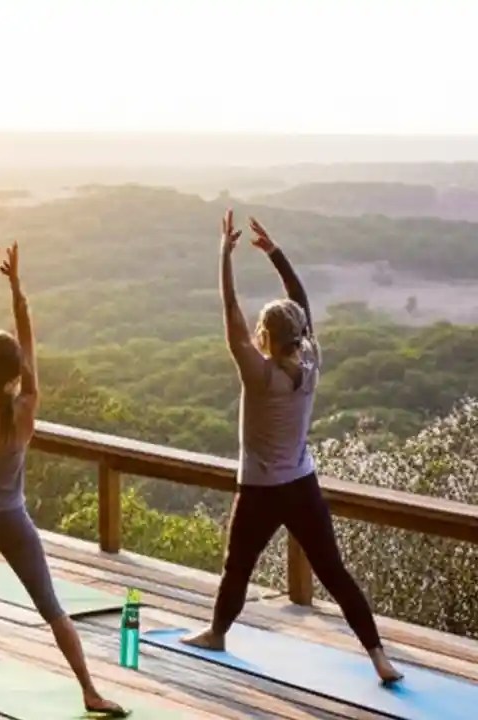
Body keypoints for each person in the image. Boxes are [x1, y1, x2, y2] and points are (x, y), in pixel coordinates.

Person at [181, 211, 403, 685]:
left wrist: (224, 255)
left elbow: (229, 311)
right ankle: (380, 658)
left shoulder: (259, 375)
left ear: (264, 338)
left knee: (237, 568)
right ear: (299, 336)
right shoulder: (312, 363)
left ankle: (218, 633)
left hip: (261, 490)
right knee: (335, 572)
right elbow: (299, 302)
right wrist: (276, 253)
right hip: (302, 484)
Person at [0, 244, 126, 717]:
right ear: (17, 369)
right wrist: (17, 289)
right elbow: (28, 340)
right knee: (52, 607)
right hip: (14, 520)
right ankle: (89, 690)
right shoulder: (28, 403)